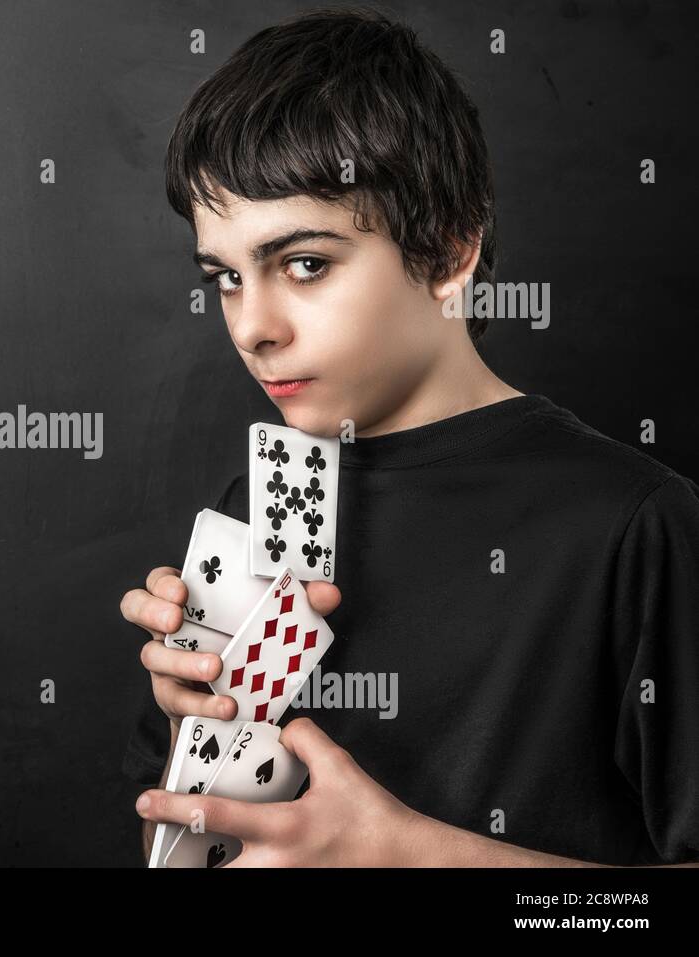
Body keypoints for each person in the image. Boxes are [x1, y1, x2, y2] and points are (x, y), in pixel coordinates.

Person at [119, 7, 699, 867]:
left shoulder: (637, 525)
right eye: (225, 279)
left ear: (450, 250)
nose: (252, 327)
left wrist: (407, 855)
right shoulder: (255, 505)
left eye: (305, 263)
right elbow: (184, 844)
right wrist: (192, 726)